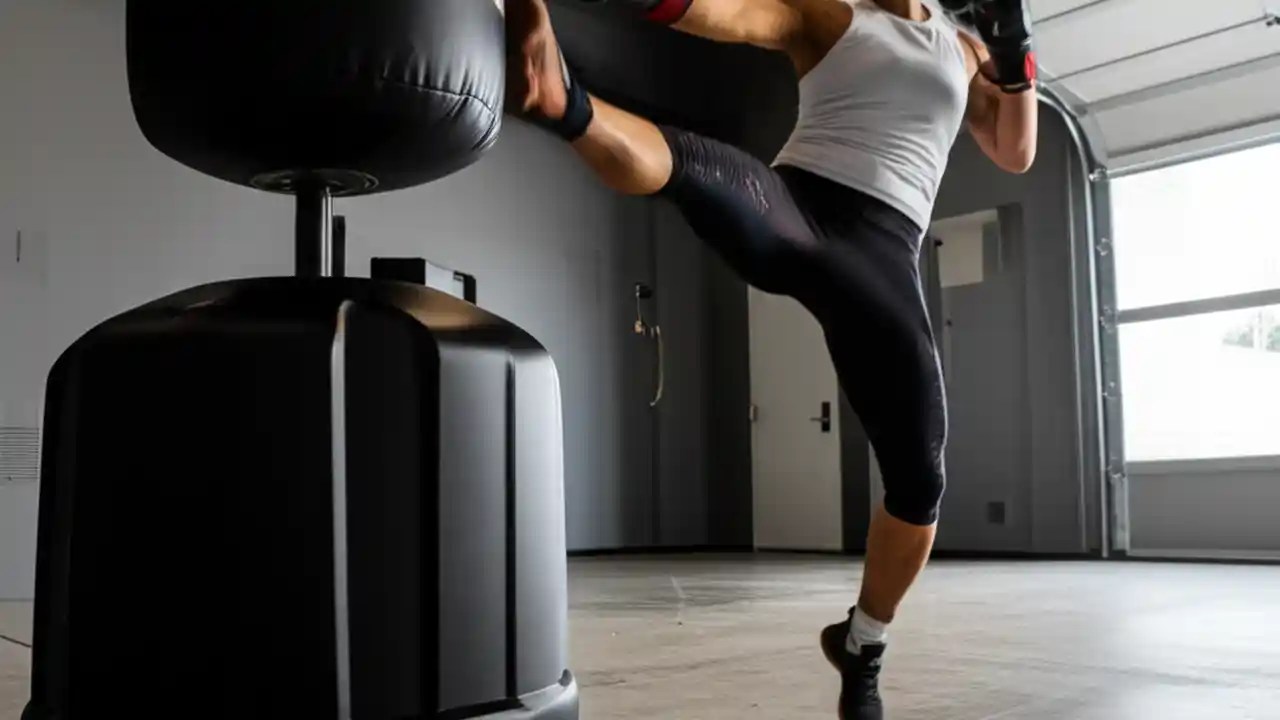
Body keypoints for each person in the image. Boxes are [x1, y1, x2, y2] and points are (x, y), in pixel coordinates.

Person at [504, 0, 1038, 716]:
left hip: (885, 253)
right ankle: (562, 100)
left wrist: (1014, 48)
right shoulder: (833, 11)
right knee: (696, 168)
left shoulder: (962, 46)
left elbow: (1014, 149)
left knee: (920, 480)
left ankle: (863, 645)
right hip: (799, 208)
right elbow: (735, 14)